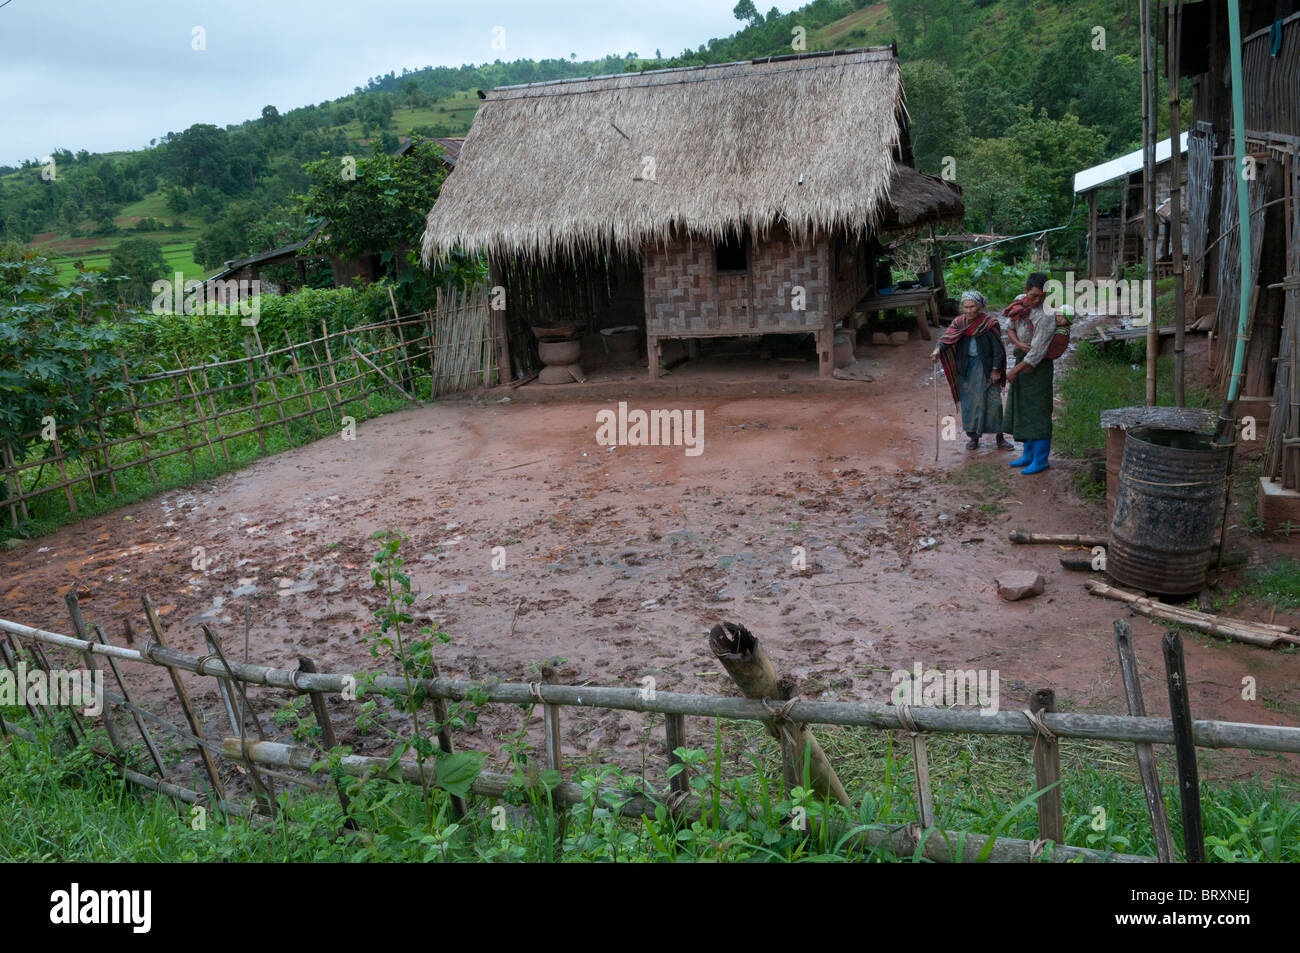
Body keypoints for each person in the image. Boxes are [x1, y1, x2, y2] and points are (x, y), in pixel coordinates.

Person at [930, 290, 1011, 450]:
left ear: (979, 306)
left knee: (993, 403)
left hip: (986, 369)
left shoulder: (989, 324)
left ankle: (999, 437)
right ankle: (973, 438)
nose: (968, 310)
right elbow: (946, 338)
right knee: (970, 404)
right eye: (965, 307)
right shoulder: (959, 323)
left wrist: (996, 370)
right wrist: (937, 349)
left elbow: (998, 350)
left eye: (972, 307)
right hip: (966, 370)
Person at [1003, 272, 1057, 474]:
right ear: (1025, 291)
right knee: (1023, 408)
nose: (1038, 300)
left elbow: (1036, 354)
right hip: (1021, 358)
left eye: (1042, 296)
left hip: (1039, 368)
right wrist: (1018, 344)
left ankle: (1041, 459)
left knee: (1039, 411)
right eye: (1034, 296)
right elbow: (1009, 328)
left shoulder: (1047, 316)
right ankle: (1027, 455)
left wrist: (1014, 371)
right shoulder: (1019, 302)